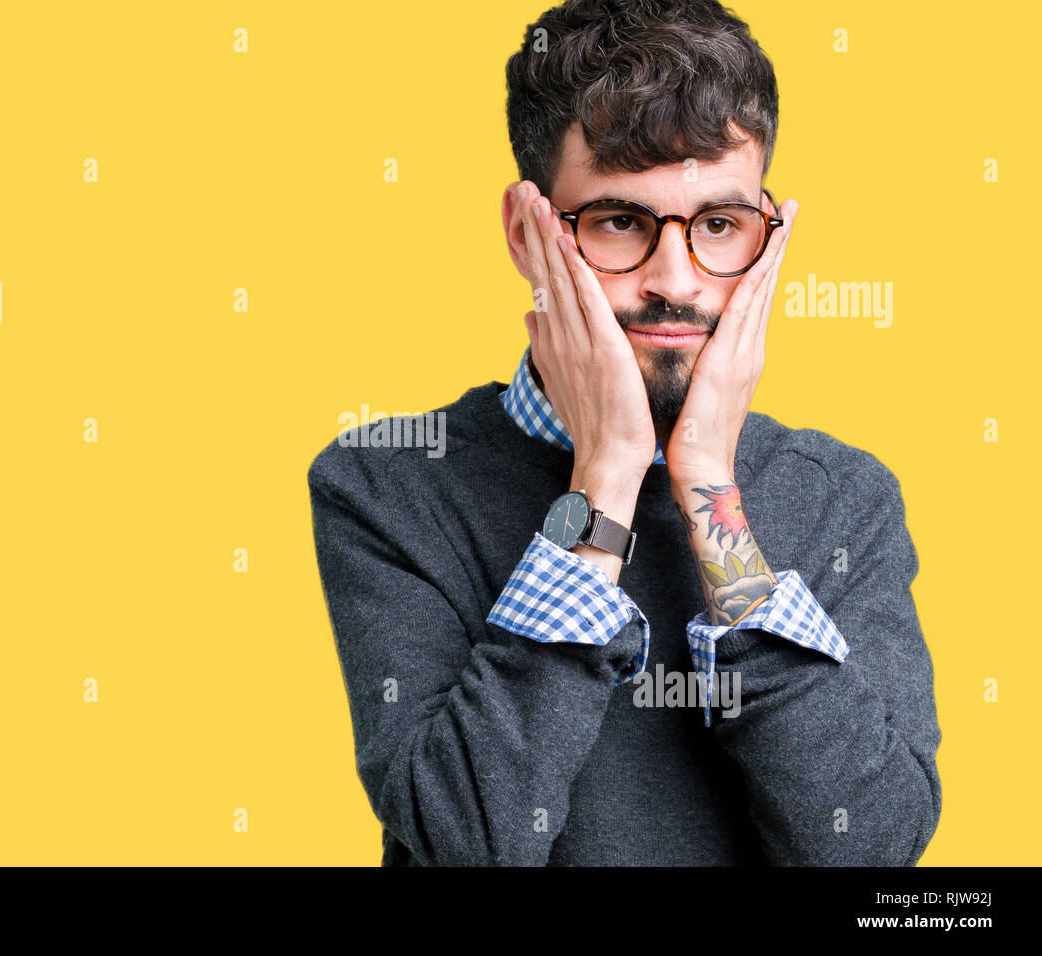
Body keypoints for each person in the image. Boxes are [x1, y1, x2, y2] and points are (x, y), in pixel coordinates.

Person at [307, 0, 940, 866]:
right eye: (619, 222)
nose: (675, 280)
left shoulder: (846, 499)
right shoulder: (386, 486)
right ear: (527, 234)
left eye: (719, 225)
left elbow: (871, 849)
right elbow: (466, 842)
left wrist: (708, 483)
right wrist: (603, 478)